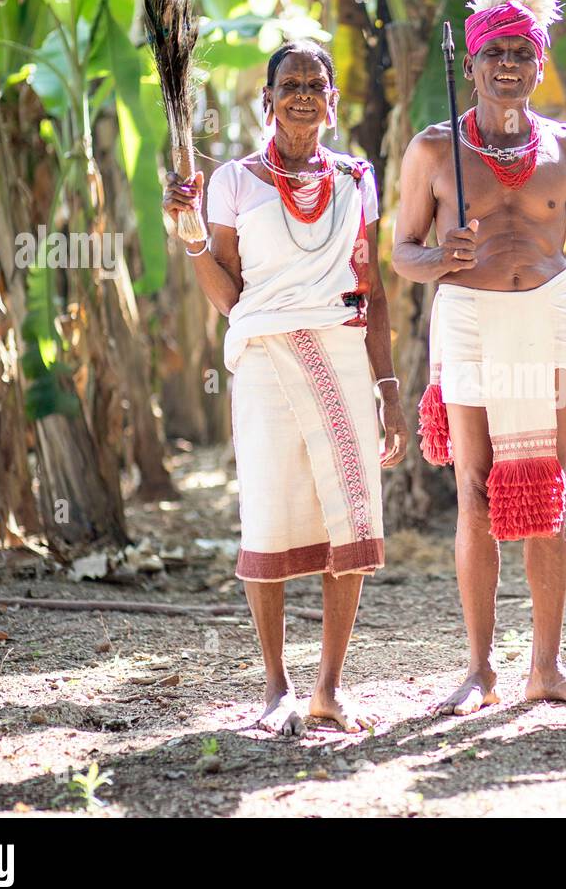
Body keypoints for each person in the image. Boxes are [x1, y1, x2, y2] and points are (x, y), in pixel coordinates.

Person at [162, 40, 407, 735]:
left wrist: (387, 385)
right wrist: (190, 241)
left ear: (332, 100)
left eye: (315, 83)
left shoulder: (359, 176)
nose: (303, 93)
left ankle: (330, 686)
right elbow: (228, 296)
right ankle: (276, 686)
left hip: (344, 352)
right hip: (266, 357)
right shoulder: (234, 181)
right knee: (268, 515)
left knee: (351, 520)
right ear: (266, 101)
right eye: (289, 84)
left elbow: (375, 289)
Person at [393, 0, 566, 715]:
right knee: (477, 494)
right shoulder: (433, 150)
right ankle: (480, 670)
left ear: (539, 63)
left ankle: (546, 669)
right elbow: (402, 251)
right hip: (469, 321)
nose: (509, 66)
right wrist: (441, 258)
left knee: (547, 496)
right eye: (495, 55)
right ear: (476, 62)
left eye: (523, 53)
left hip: (547, 322)